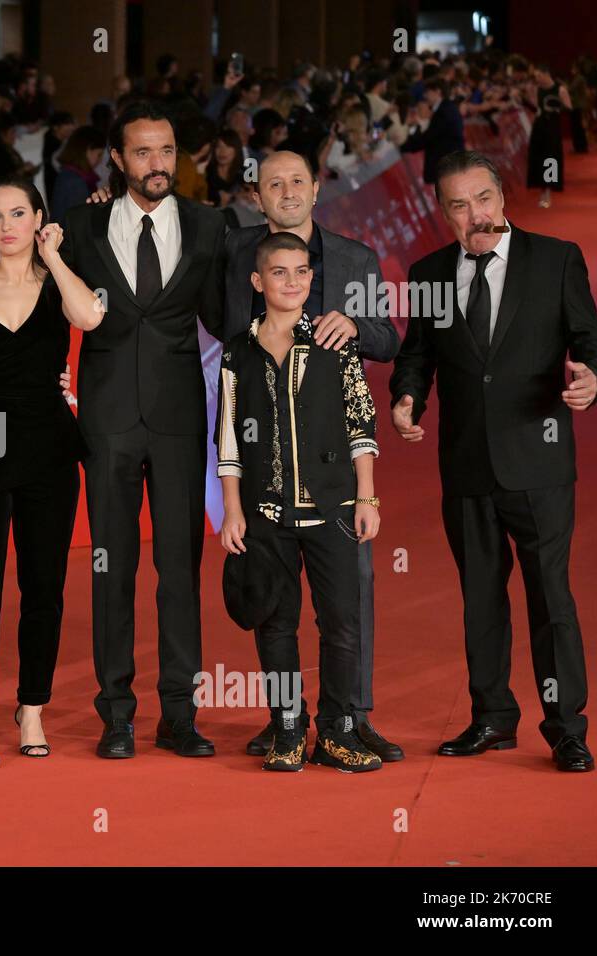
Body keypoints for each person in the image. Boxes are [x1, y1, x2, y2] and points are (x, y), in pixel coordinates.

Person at [390, 151, 597, 773]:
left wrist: (593, 378)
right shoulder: (428, 270)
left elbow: (590, 337)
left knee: (550, 598)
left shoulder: (557, 259)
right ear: (443, 212)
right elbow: (418, 353)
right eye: (458, 205)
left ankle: (567, 728)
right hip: (465, 463)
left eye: (482, 199)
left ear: (502, 196)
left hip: (538, 463)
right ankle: (491, 719)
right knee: (480, 596)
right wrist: (406, 397)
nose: (474, 215)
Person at [221, 150, 402, 761]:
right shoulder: (234, 256)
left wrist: (349, 323)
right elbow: (228, 420)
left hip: (332, 487)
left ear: (316, 189)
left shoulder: (355, 259)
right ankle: (287, 724)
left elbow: (385, 342)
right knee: (275, 614)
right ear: (258, 195)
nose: (288, 191)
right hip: (267, 492)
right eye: (274, 183)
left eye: (298, 180)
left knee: (346, 608)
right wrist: (232, 505)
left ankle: (347, 720)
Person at [58, 99, 225, 759]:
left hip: (182, 422)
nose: (157, 164)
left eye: (166, 151)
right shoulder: (78, 226)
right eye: (144, 152)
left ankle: (179, 715)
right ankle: (116, 715)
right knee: (112, 569)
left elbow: (230, 320)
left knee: (179, 570)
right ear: (119, 160)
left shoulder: (211, 227)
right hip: (107, 425)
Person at [0, 177, 102, 768]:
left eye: (18, 213)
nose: (6, 226)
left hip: (49, 449)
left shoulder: (58, 281)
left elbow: (89, 317)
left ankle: (32, 706)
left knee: (43, 587)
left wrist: (55, 258)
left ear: (39, 218)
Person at [401, 79, 464, 185]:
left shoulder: (444, 112)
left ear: (437, 92)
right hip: (452, 166)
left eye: (427, 92)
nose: (425, 96)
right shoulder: (449, 108)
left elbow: (429, 137)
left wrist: (404, 146)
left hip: (447, 168)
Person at [527, 65, 570, 208]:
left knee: (550, 159)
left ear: (546, 74)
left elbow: (569, 107)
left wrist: (556, 107)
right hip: (539, 127)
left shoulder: (560, 89)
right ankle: (542, 191)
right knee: (539, 158)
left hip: (552, 128)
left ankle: (548, 192)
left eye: (538, 76)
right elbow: (534, 106)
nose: (536, 79)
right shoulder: (536, 89)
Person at [49, 125, 104, 226]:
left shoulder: (69, 174)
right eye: (99, 155)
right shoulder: (75, 181)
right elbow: (79, 224)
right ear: (87, 150)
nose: (100, 161)